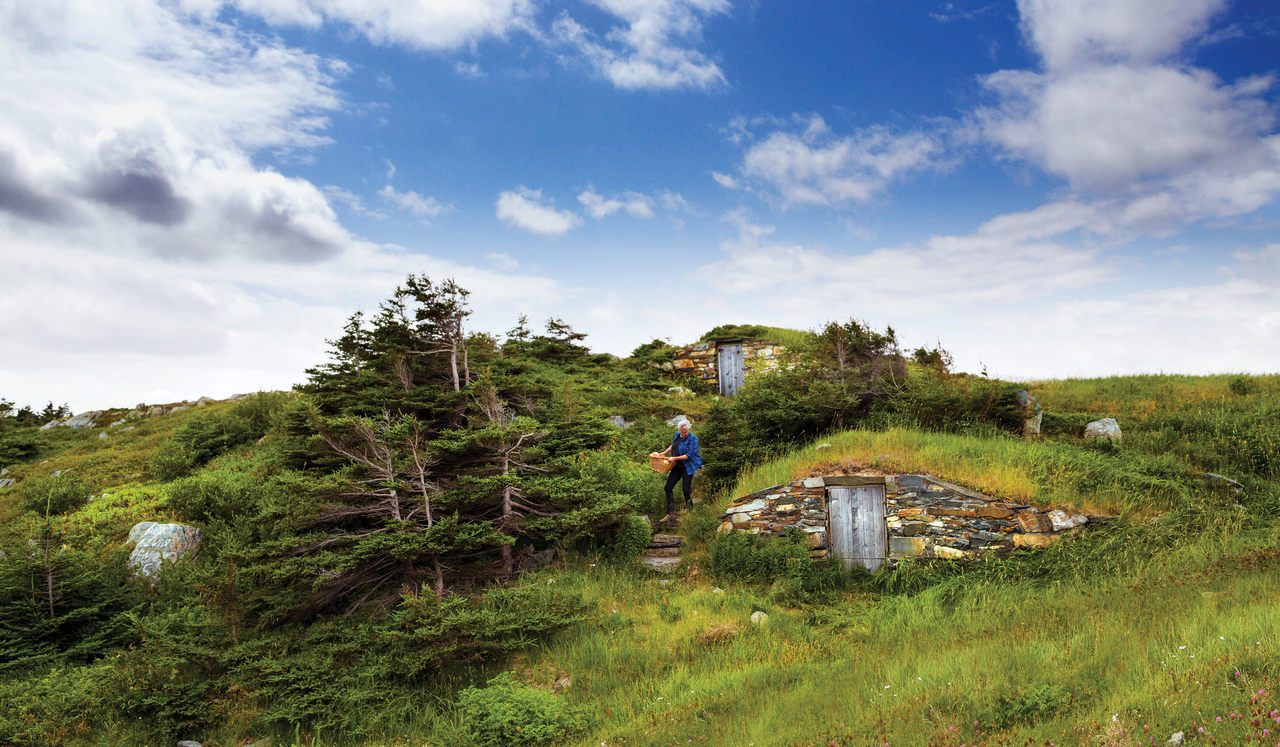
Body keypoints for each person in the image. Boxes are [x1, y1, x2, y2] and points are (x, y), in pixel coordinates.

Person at [658, 420, 701, 524]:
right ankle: (670, 513)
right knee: (668, 488)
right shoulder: (677, 434)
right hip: (677, 466)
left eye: (684, 432)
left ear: (689, 429)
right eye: (681, 432)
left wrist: (674, 458)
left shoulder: (693, 439)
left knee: (686, 490)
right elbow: (673, 445)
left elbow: (688, 455)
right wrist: (664, 453)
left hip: (688, 467)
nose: (682, 434)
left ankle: (690, 513)